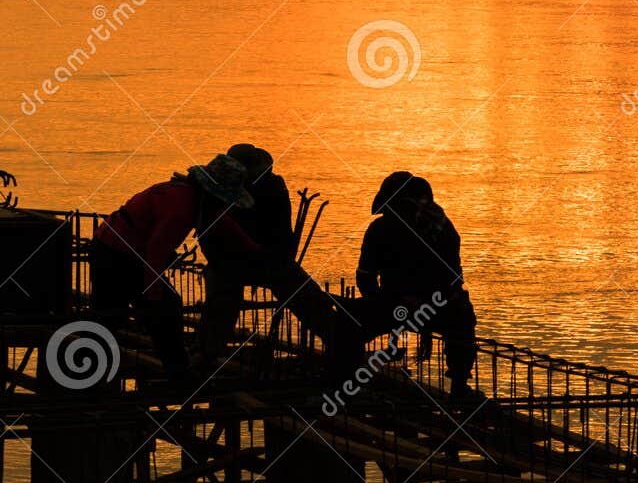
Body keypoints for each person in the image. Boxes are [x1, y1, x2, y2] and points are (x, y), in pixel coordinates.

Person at [90, 154, 255, 378]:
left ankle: (94, 372)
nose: (225, 205)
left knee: (115, 316)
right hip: (115, 253)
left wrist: (254, 249)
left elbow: (223, 223)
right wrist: (154, 294)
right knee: (149, 310)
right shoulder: (182, 206)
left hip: (120, 249)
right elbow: (155, 252)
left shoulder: (193, 197)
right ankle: (177, 372)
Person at [191, 143, 344, 371]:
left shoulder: (270, 188)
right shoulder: (218, 190)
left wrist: (265, 258)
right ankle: (204, 356)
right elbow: (207, 231)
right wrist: (221, 260)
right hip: (231, 261)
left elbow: (279, 237)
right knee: (221, 303)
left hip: (268, 260)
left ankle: (339, 343)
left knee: (306, 299)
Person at [355, 172, 477, 398]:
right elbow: (453, 279)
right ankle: (459, 386)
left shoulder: (381, 228)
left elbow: (365, 279)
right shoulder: (444, 227)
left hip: (396, 308)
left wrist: (384, 303)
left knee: (348, 324)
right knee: (463, 318)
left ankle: (345, 383)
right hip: (440, 309)